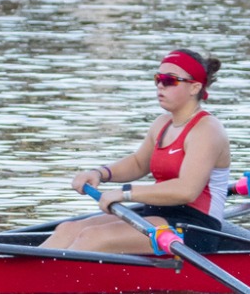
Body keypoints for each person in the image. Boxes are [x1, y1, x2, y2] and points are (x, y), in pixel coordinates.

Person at [49, 50, 233, 256]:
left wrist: (125, 193)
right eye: (158, 79)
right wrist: (99, 173)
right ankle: (18, 278)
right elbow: (138, 163)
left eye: (170, 80)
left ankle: (42, 283)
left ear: (195, 87)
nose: (160, 85)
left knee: (93, 237)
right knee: (69, 229)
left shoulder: (207, 130)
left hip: (195, 228)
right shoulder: (162, 124)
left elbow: (186, 191)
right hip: (156, 215)